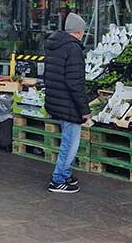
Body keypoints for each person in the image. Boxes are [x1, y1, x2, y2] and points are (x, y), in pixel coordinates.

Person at [43, 13, 91, 194]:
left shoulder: (55, 45)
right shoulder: (73, 49)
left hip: (57, 100)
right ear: (79, 32)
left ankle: (65, 173)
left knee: (67, 140)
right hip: (69, 104)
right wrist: (84, 109)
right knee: (70, 143)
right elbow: (75, 82)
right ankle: (59, 179)